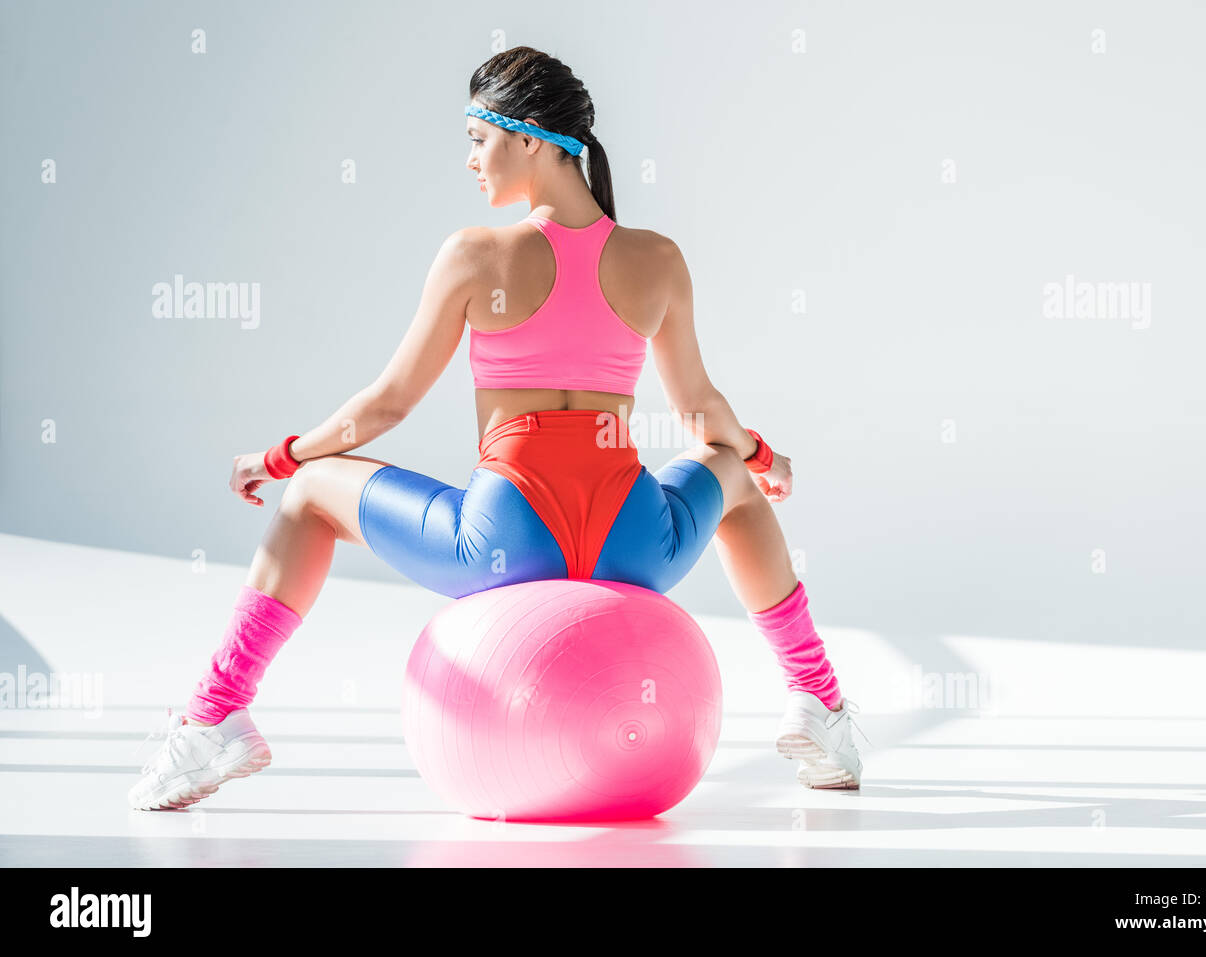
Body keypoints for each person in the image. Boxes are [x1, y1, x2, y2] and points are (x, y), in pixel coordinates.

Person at [129, 46, 865, 812]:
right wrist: (765, 456)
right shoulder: (658, 259)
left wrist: (281, 456)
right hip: (634, 540)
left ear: (533, 140)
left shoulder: (475, 254)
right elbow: (702, 413)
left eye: (479, 139)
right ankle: (820, 706)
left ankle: (214, 717)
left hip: (504, 544)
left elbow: (385, 405)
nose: (471, 160)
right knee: (733, 474)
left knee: (312, 491)